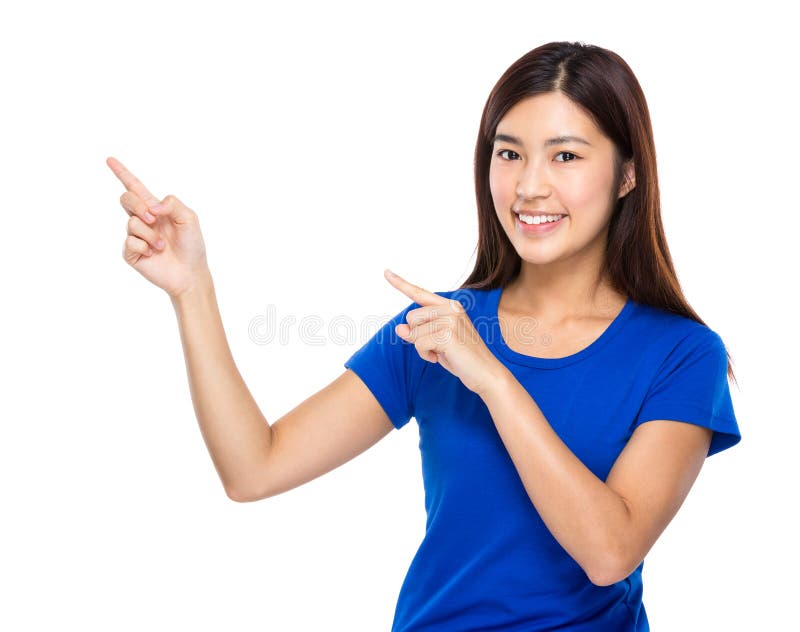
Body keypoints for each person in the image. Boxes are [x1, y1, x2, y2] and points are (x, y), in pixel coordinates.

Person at [108, 40, 741, 632]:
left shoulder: (682, 355)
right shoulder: (436, 328)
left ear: (628, 174)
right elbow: (255, 469)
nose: (528, 186)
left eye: (566, 155)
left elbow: (610, 552)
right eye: (509, 152)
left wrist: (491, 375)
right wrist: (193, 290)